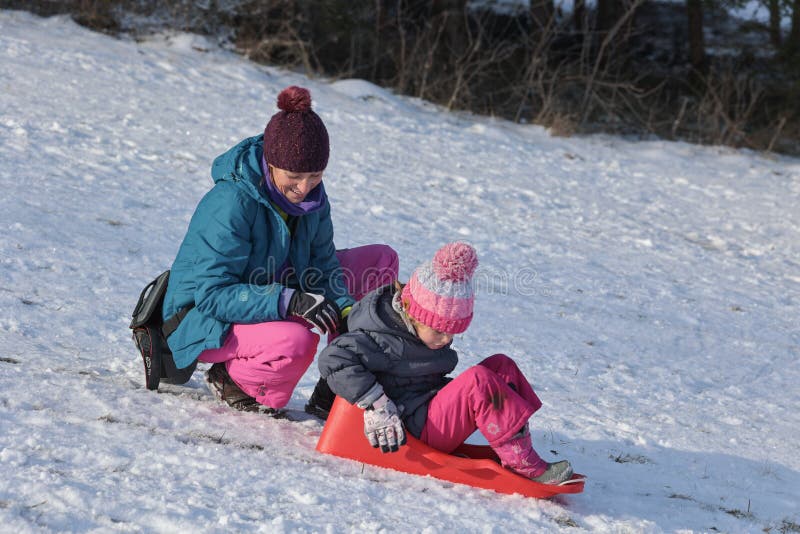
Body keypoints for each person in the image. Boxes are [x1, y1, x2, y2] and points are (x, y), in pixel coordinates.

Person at [161, 85, 398, 415]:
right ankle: (233, 379)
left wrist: (346, 312)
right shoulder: (231, 203)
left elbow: (323, 263)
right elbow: (212, 294)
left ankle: (342, 380)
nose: (304, 188)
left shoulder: (313, 197)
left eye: (315, 175)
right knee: (296, 341)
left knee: (380, 262)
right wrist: (289, 301)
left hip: (272, 281)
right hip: (203, 316)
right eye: (294, 176)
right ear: (271, 163)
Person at [318, 242, 574, 484]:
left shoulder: (416, 330)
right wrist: (377, 403)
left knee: (501, 365)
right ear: (411, 312)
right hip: (409, 425)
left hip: (425, 404)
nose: (446, 339)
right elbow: (333, 358)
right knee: (478, 382)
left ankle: (517, 442)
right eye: (439, 331)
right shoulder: (381, 338)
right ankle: (524, 464)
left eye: (452, 333)